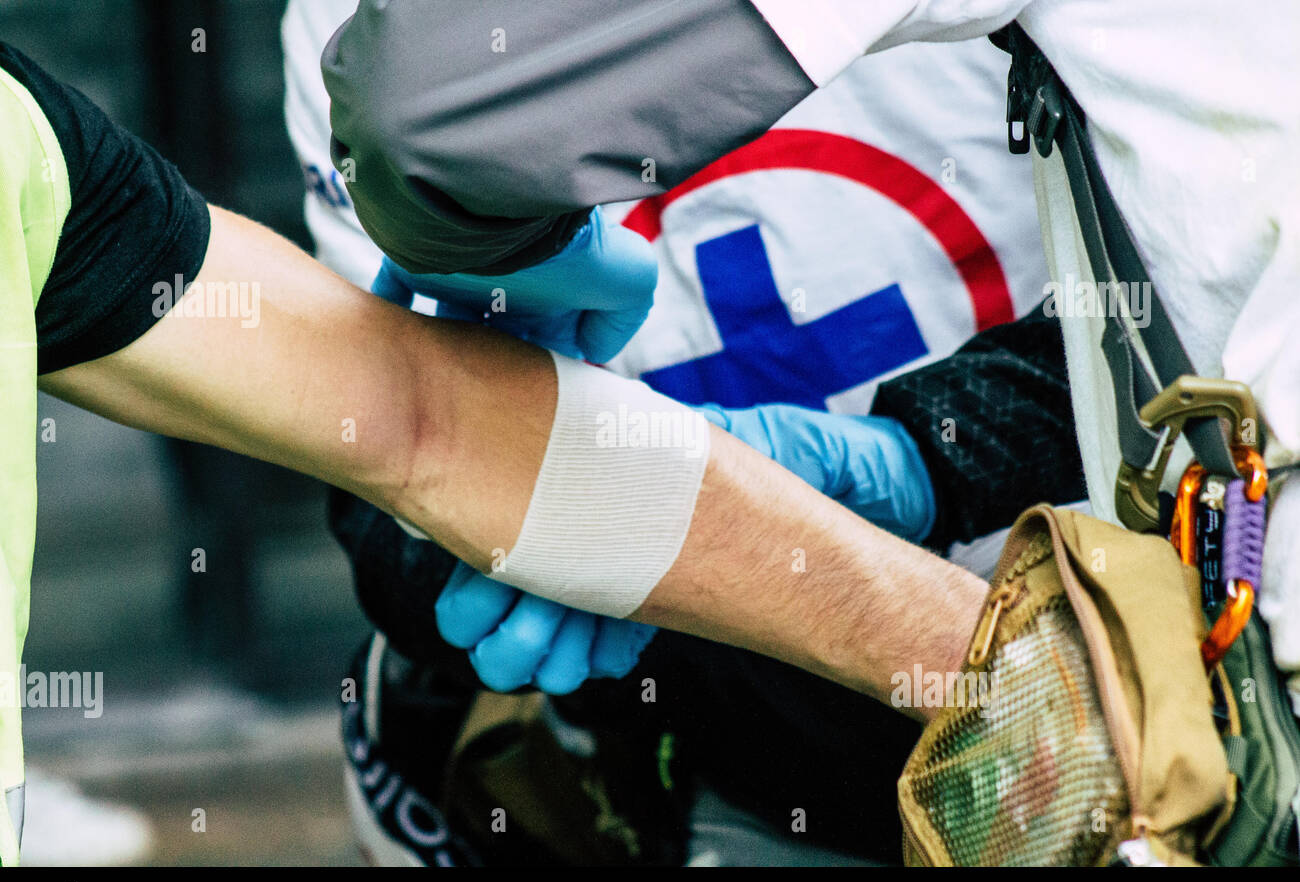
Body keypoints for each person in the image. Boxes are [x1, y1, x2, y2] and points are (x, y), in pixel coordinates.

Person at [0, 39, 992, 866]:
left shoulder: (28, 147)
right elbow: (407, 453)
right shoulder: (367, 49)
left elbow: (420, 420)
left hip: (1033, 626)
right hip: (720, 761)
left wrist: (991, 635)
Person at [321, 0, 1300, 713]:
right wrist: (497, 518)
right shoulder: (335, 24)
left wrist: (923, 455)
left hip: (1125, 674)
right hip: (712, 748)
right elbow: (365, 440)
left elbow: (1157, 313)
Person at [285, 0, 1083, 864]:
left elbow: (1198, 319)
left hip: (1090, 624)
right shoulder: (353, 25)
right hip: (711, 726)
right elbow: (383, 426)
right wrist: (471, 540)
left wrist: (935, 455)